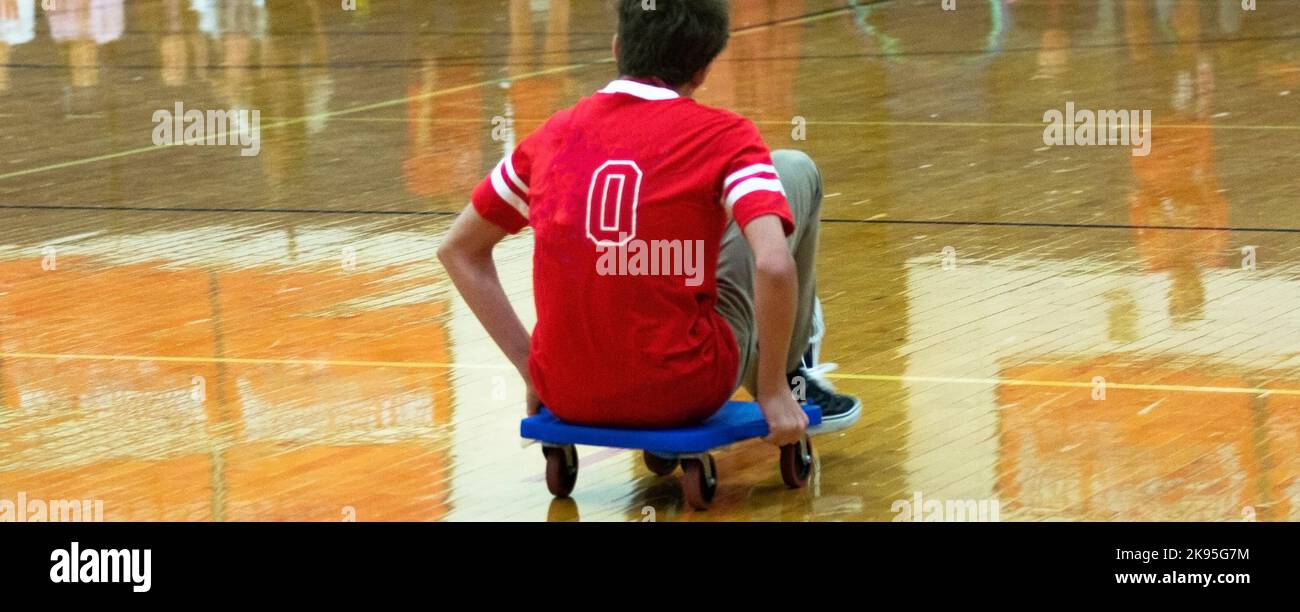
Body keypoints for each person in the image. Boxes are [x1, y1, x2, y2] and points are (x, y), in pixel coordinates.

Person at [437, 0, 860, 447]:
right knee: (794, 169)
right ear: (703, 70)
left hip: (565, 391)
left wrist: (532, 367)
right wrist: (771, 392)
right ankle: (789, 379)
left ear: (618, 47)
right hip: (685, 389)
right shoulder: (726, 136)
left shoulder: (549, 136)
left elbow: (458, 250)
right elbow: (773, 265)